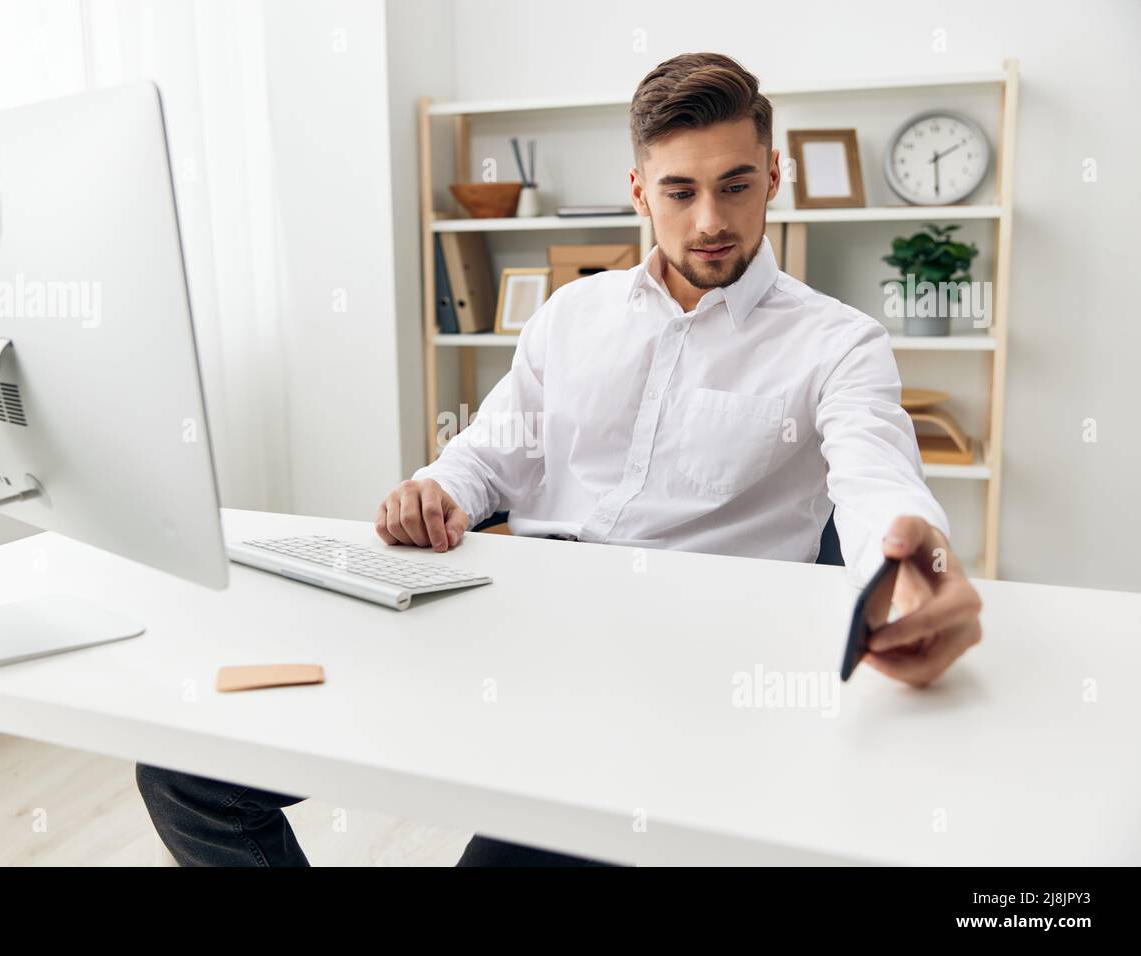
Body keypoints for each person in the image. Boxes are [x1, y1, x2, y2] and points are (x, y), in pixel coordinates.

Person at [138, 51, 982, 867]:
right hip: (516, 636)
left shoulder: (838, 344)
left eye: (734, 186)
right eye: (679, 191)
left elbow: (881, 486)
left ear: (772, 176)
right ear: (639, 191)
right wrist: (440, 487)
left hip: (680, 688)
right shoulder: (571, 316)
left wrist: (918, 568)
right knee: (186, 774)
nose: (711, 221)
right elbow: (495, 452)